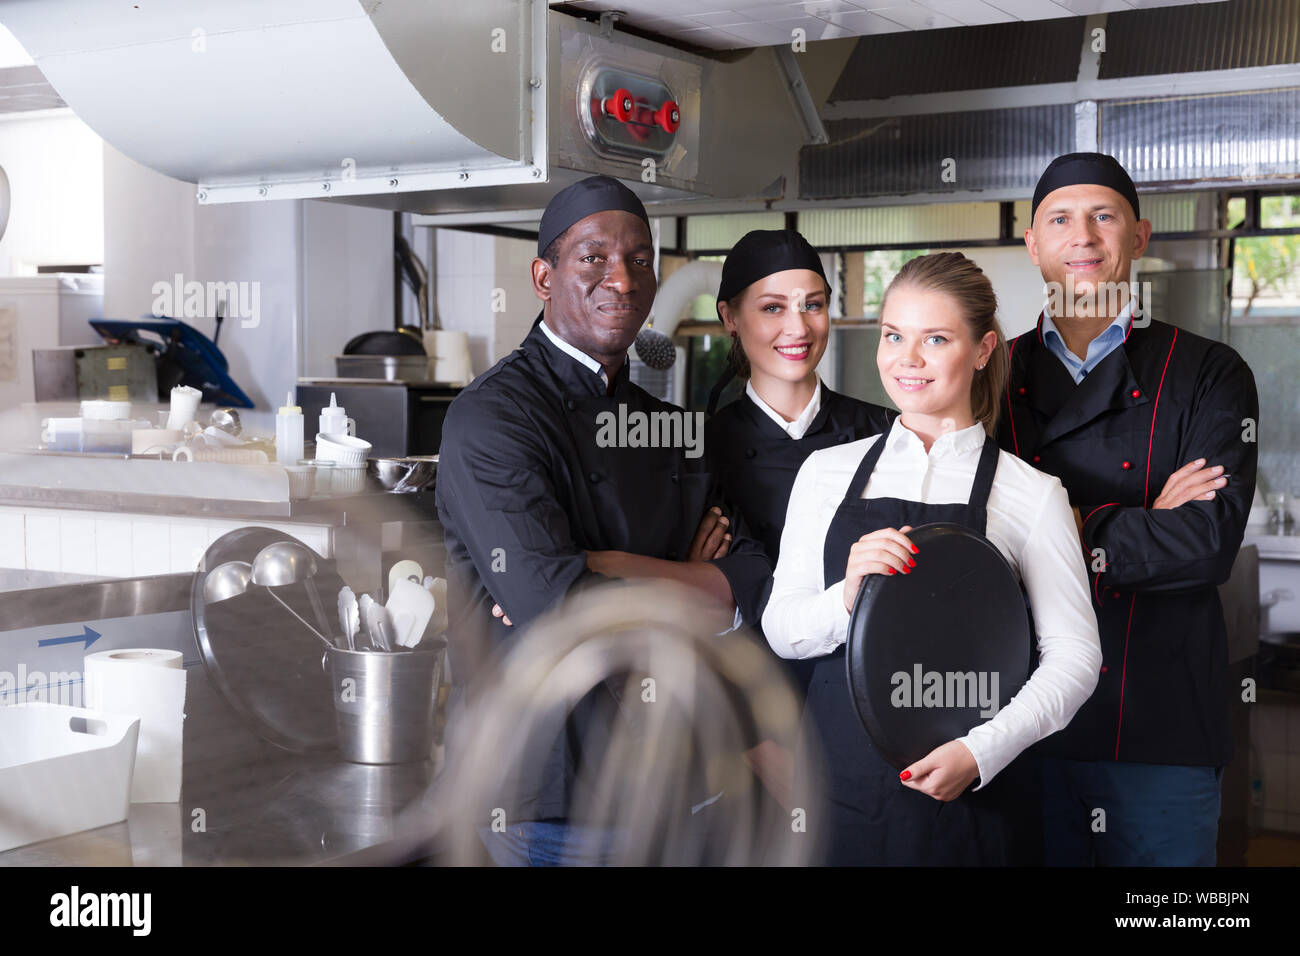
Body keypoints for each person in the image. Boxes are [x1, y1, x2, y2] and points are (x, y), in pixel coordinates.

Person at [434, 175, 770, 866]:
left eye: (639, 259)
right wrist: (694, 583)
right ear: (543, 275)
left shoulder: (671, 429)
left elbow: (752, 572)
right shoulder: (493, 418)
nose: (622, 278)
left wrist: (602, 568)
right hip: (555, 800)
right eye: (593, 257)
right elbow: (557, 608)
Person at [763, 251, 1102, 865]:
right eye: (893, 335)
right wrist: (846, 595)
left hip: (973, 800)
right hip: (839, 791)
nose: (906, 360)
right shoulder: (827, 472)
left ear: (982, 350)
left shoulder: (1030, 492)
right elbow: (782, 631)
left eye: (936, 339)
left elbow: (1075, 656)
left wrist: (982, 751)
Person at [1000, 152, 1260, 866]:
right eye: (1060, 219)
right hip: (1023, 724)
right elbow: (972, 542)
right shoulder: (991, 375)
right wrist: (1145, 515)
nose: (1082, 236)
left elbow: (1205, 544)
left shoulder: (1207, 372)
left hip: (1159, 730)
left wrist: (1043, 537)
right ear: (1033, 244)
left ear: (1139, 236)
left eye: (1103, 216)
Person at [705, 228, 895, 809]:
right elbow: (687, 612)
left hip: (866, 716)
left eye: (813, 305)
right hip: (740, 737)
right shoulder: (697, 452)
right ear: (729, 317)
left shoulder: (886, 435)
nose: (798, 327)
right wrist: (750, 740)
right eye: (772, 308)